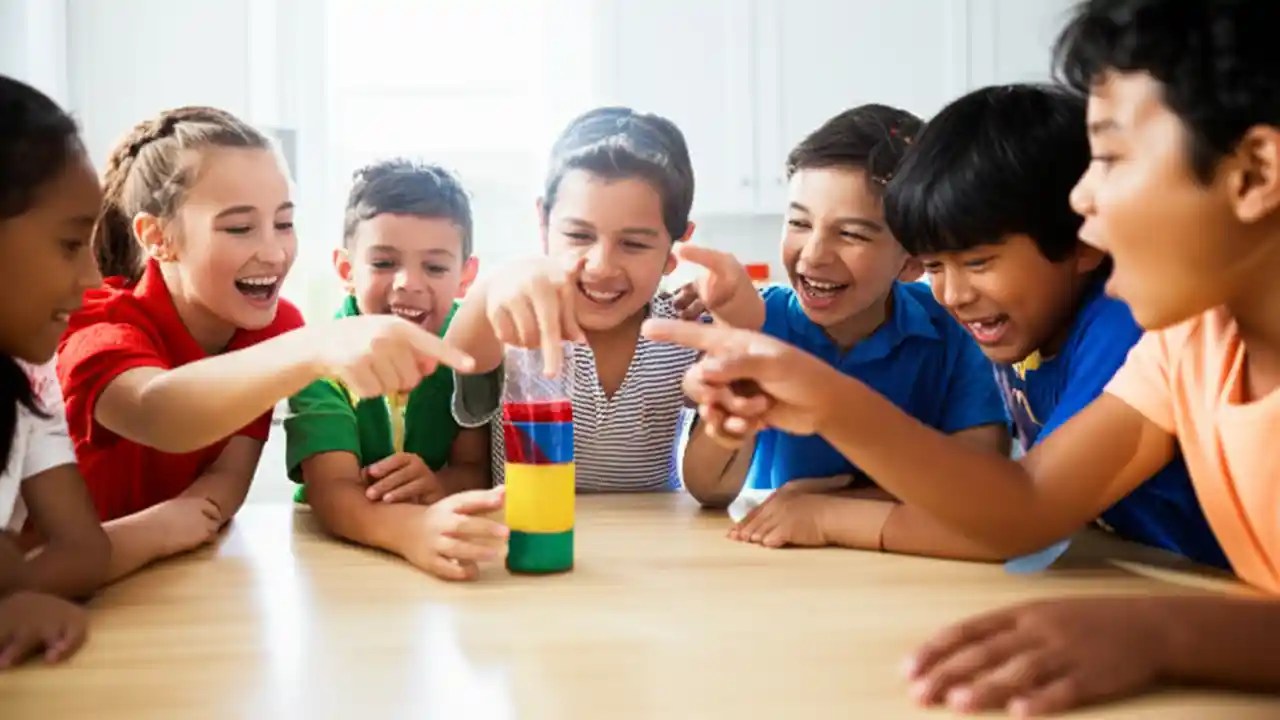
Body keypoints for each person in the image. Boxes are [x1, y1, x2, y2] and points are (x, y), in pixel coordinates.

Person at [643, 0, 1280, 713]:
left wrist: (1166, 632)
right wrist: (821, 394)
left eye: (1111, 156)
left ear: (1254, 174)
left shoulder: (1129, 326)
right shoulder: (1185, 345)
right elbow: (1027, 504)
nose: (1081, 197)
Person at [57, 107, 475, 581]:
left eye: (283, 223)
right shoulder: (94, 321)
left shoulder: (272, 329)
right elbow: (157, 411)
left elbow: (225, 482)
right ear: (158, 238)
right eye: (239, 228)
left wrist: (185, 521)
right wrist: (156, 530)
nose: (275, 253)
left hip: (167, 577)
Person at [882, 83, 1225, 568]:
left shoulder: (1126, 322)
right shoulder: (1020, 315)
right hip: (1142, 569)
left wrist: (829, 518)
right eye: (933, 267)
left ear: (1082, 242)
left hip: (1217, 585)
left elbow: (1019, 517)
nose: (954, 295)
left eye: (979, 262)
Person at [286, 159, 504, 581]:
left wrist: (437, 486)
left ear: (465, 276)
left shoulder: (472, 348)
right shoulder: (320, 359)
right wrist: (411, 529)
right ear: (347, 270)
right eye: (384, 263)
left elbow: (473, 468)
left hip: (436, 542)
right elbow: (331, 493)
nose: (408, 282)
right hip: (336, 559)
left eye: (435, 267)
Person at [0, 74, 111, 667]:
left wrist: (16, 597)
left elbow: (80, 550)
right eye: (71, 245)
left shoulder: (25, 379)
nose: (92, 279)